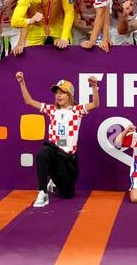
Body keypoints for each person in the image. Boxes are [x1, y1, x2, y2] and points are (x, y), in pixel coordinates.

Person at [17, 71, 101, 208]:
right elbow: (29, 101)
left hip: (68, 158)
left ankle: (54, 184)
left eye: (62, 92)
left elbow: (95, 104)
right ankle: (42, 192)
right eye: (57, 93)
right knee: (43, 152)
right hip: (54, 151)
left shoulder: (77, 110)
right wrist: (21, 82)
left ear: (70, 95)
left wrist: (94, 87)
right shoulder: (51, 110)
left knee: (67, 194)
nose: (59, 95)